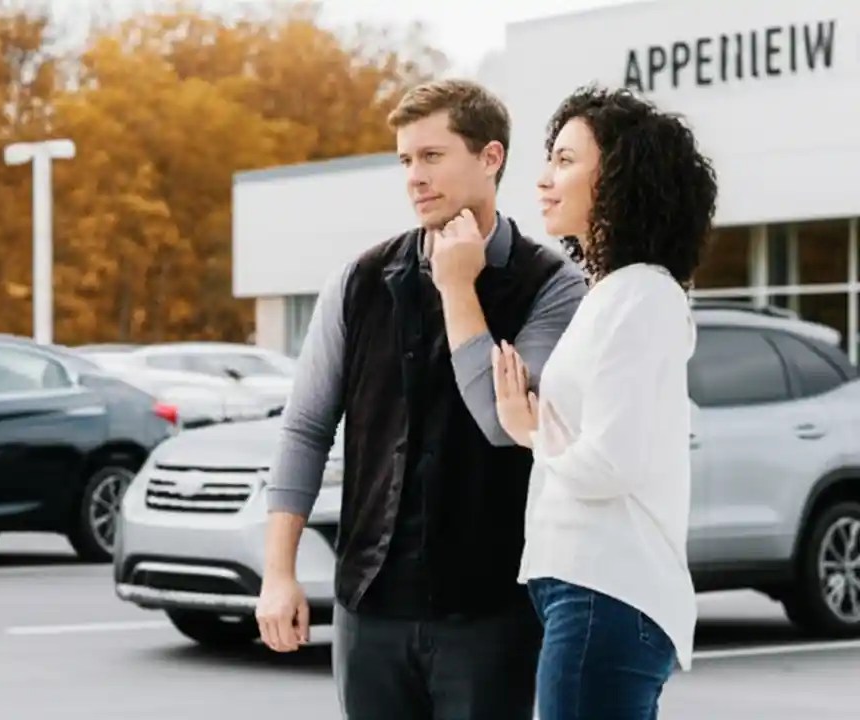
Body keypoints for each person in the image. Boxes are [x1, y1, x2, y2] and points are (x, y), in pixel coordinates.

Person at [254, 78, 588, 720]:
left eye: (432, 156)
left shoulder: (554, 288)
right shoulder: (358, 280)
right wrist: (279, 572)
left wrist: (458, 286)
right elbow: (304, 429)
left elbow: (503, 424)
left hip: (492, 612)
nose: (414, 176)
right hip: (370, 610)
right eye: (406, 159)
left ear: (491, 158)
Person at [492, 85, 718, 719]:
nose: (542, 180)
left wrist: (527, 428)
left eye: (566, 160)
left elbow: (611, 463)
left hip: (606, 591)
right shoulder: (615, 294)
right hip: (588, 590)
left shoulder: (641, 297)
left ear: (620, 178)